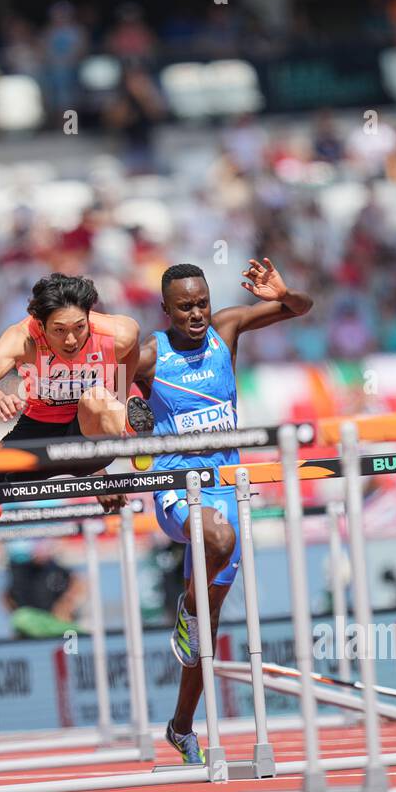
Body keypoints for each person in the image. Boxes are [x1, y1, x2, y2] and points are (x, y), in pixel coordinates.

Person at [132, 258, 313, 763]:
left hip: (229, 488)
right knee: (216, 541)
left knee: (207, 631)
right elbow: (107, 395)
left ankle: (181, 726)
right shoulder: (149, 357)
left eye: (202, 303)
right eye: (185, 307)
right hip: (178, 490)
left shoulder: (227, 328)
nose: (196, 314)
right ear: (165, 310)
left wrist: (283, 290)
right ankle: (187, 611)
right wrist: (131, 413)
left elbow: (302, 308)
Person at [0, 273, 147, 555]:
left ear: (89, 316)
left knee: (94, 398)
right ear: (41, 325)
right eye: (59, 330)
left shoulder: (118, 333)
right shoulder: (23, 338)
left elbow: (131, 349)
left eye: (79, 327)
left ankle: (132, 432)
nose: (71, 339)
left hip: (86, 434)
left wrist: (120, 396)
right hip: (35, 436)